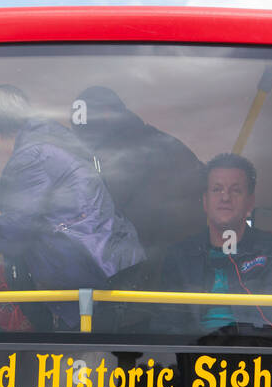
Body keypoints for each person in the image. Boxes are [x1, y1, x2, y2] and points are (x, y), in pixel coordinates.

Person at [0, 85, 145, 327]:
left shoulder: (31, 156)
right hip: (112, 270)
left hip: (97, 277)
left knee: (94, 361)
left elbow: (16, 233)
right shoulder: (56, 142)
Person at [160, 152, 272, 337]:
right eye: (217, 189)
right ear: (205, 201)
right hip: (192, 355)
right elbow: (167, 324)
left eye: (236, 190)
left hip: (254, 357)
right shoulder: (179, 255)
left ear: (250, 202)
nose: (225, 197)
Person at [72, 86, 204, 269]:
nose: (86, 142)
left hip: (160, 259)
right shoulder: (157, 142)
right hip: (183, 259)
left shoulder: (126, 153)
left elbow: (109, 211)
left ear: (108, 114)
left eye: (88, 134)